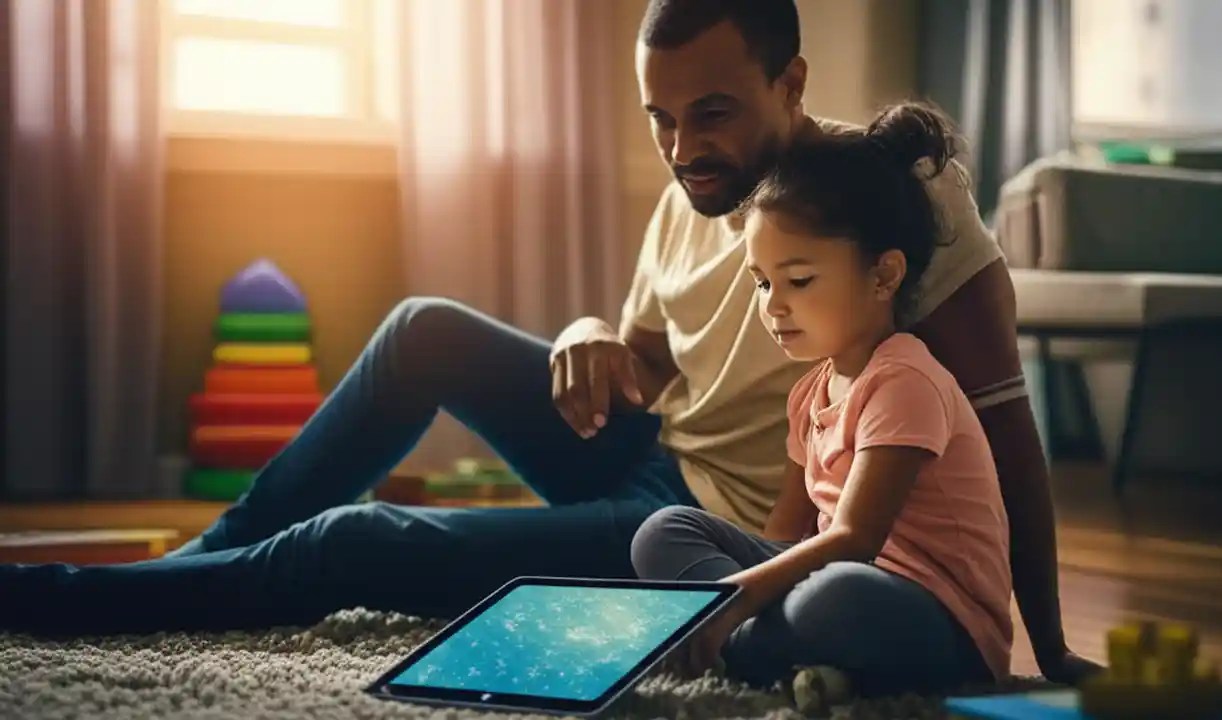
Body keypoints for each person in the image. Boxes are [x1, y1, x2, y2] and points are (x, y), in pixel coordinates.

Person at [1, 0, 1096, 686]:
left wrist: (1044, 651)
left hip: (703, 525)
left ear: (790, 82)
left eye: (708, 113)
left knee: (357, 545)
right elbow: (648, 355)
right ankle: (206, 564)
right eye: (658, 120)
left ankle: (60, 605)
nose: (679, 148)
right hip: (647, 450)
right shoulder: (700, 191)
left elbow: (1005, 425)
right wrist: (586, 333)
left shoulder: (891, 200)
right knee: (423, 329)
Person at [632, 103, 1009, 700]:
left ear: (884, 276)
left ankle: (726, 643)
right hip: (841, 581)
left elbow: (856, 536)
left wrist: (736, 597)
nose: (774, 305)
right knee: (663, 531)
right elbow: (790, 537)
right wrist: (749, 586)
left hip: (936, 623)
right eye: (762, 282)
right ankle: (756, 651)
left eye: (799, 281)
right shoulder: (811, 392)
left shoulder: (905, 378)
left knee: (835, 596)